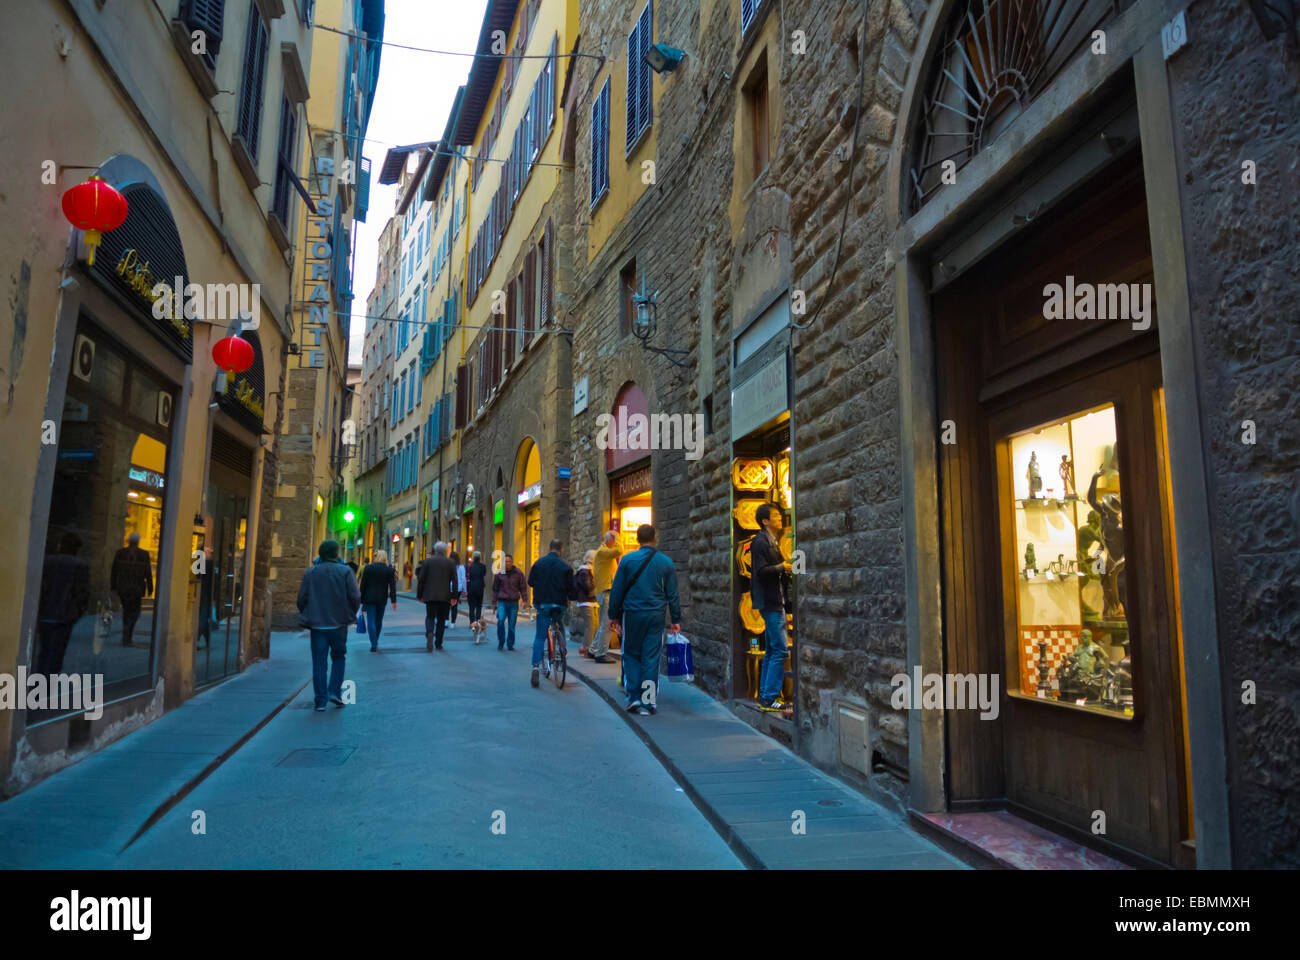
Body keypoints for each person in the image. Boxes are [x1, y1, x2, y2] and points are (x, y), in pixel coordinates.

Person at [609, 525, 681, 716]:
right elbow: (672, 594)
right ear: (655, 538)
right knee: (651, 657)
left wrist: (613, 615)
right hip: (656, 614)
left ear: (638, 539)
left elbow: (617, 590)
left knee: (631, 653)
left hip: (632, 614)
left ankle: (633, 697)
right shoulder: (665, 562)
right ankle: (648, 702)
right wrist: (675, 619)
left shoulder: (627, 560)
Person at [297, 540, 361, 711]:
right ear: (336, 554)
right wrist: (350, 614)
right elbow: (355, 597)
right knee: (339, 657)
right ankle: (334, 691)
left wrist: (308, 611)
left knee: (319, 662)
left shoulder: (311, 572)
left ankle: (320, 700)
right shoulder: (345, 571)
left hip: (317, 625)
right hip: (339, 624)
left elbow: (301, 598)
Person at [751, 503, 793, 712]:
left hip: (773, 601)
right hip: (771, 602)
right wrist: (782, 567)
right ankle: (770, 697)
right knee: (780, 650)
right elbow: (760, 571)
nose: (780, 518)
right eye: (775, 516)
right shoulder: (761, 541)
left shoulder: (770, 540)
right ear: (765, 521)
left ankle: (766, 696)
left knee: (771, 650)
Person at [35, 532, 90, 675]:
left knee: (45, 650)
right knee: (57, 653)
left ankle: (40, 683)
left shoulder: (47, 561)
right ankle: (47, 685)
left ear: (61, 545)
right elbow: (83, 594)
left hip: (45, 613)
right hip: (64, 616)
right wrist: (77, 612)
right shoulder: (80, 566)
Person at [527, 539, 576, 689]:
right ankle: (562, 650)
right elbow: (571, 589)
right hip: (559, 603)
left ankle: (536, 666)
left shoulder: (539, 563)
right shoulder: (565, 566)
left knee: (540, 636)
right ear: (561, 549)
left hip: (542, 603)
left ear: (550, 548)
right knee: (559, 623)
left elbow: (530, 582)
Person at [110, 532, 153, 647]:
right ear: (138, 541)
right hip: (136, 588)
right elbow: (147, 572)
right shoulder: (143, 554)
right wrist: (150, 587)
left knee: (127, 611)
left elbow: (114, 571)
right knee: (134, 612)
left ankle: (126, 634)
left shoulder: (120, 553)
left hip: (124, 587)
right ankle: (127, 634)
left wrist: (113, 586)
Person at [416, 542, 459, 651]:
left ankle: (430, 632)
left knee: (430, 617)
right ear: (445, 551)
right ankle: (438, 643)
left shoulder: (428, 561)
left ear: (435, 550)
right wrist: (454, 596)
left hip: (430, 595)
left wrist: (419, 595)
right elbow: (455, 581)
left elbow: (421, 579)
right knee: (441, 619)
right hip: (445, 596)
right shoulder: (451, 562)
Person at [358, 549, 398, 651]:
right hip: (382, 599)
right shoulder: (389, 570)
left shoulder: (368, 568)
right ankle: (376, 641)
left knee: (371, 621)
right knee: (378, 621)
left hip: (369, 599)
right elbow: (392, 587)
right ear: (385, 557)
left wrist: (361, 600)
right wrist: (393, 600)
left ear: (376, 557)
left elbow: (363, 585)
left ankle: (373, 644)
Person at [591, 531, 620, 661]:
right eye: (613, 540)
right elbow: (619, 550)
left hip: (604, 591)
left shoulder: (603, 552)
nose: (615, 543)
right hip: (605, 591)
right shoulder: (603, 551)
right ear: (610, 540)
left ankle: (593, 650)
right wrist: (618, 537)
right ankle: (601, 654)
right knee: (607, 624)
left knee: (604, 623)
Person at [491, 554, 528, 651]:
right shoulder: (499, 574)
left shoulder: (518, 573)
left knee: (512, 625)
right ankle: (501, 641)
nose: (507, 563)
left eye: (509, 561)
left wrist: (524, 600)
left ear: (512, 562)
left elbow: (523, 588)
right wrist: (494, 603)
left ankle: (510, 644)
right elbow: (495, 589)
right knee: (500, 621)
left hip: (513, 602)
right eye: (505, 561)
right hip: (502, 602)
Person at [571, 550, 603, 662]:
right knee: (590, 625)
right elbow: (588, 586)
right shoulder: (585, 570)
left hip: (591, 601)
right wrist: (597, 581)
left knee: (596, 625)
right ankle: (586, 648)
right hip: (586, 601)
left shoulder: (587, 569)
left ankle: (591, 647)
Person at [465, 551, 488, 622]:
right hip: (480, 587)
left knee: (471, 606)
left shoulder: (469, 566)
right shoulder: (483, 566)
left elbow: (467, 576)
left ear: (473, 557)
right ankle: (477, 620)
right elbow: (484, 574)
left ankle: (472, 621)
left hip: (471, 587)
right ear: (480, 557)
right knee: (479, 605)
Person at [449, 552, 467, 624]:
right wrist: (465, 590)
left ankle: (446, 621)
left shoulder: (448, 566)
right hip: (458, 588)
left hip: (448, 587)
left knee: (447, 605)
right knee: (455, 605)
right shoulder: (461, 567)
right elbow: (463, 579)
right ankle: (453, 623)